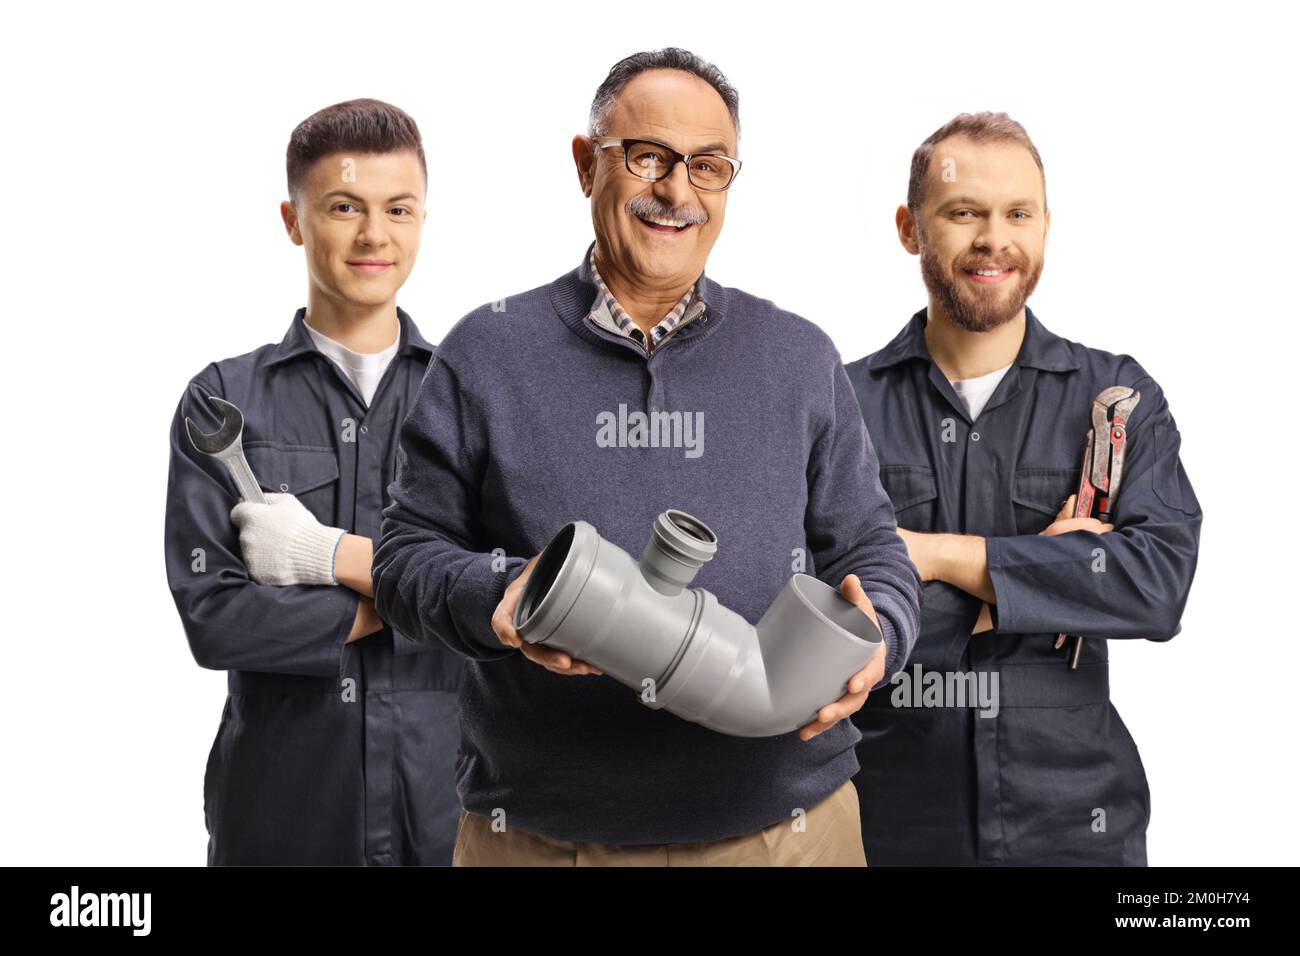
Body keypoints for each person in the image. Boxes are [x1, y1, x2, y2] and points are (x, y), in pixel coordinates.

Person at [372, 48, 921, 867]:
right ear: (585, 165)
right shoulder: (487, 351)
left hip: (786, 837)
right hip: (541, 841)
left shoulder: (797, 355)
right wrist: (500, 595)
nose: (677, 192)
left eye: (708, 167)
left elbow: (871, 545)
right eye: (648, 158)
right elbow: (402, 558)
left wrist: (881, 630)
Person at [845, 112, 1203, 865]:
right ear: (911, 228)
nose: (993, 240)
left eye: (1018, 213)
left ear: (1045, 226)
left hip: (1077, 832)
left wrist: (934, 558)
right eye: (963, 212)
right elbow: (823, 621)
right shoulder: (840, 409)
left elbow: (1157, 585)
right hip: (889, 832)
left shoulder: (1117, 396)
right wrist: (1035, 581)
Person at [164, 98, 464, 865]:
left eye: (398, 208)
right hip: (280, 821)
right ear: (294, 220)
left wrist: (324, 558)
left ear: (423, 219)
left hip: (451, 820)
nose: (374, 234)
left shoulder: (472, 400)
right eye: (343, 207)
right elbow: (217, 618)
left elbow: (510, 597)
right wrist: (422, 597)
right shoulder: (222, 401)